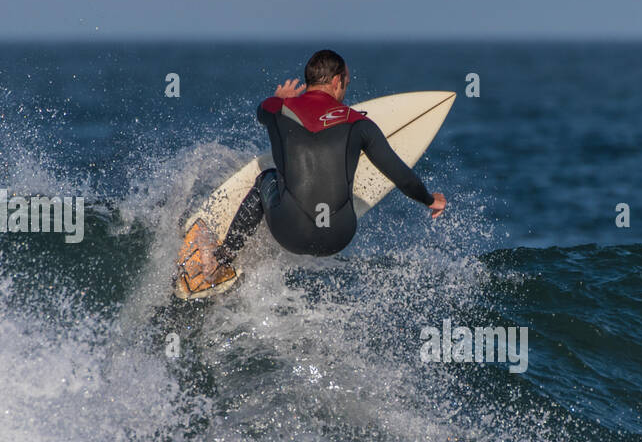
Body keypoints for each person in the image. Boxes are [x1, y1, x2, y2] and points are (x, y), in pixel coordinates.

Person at [175, 49, 447, 296]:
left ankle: (220, 261)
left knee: (266, 179)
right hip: (337, 236)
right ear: (337, 81)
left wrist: (278, 99)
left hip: (289, 232)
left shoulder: (277, 110)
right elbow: (400, 174)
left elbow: (261, 112)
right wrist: (429, 200)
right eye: (347, 84)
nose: (346, 90)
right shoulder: (359, 123)